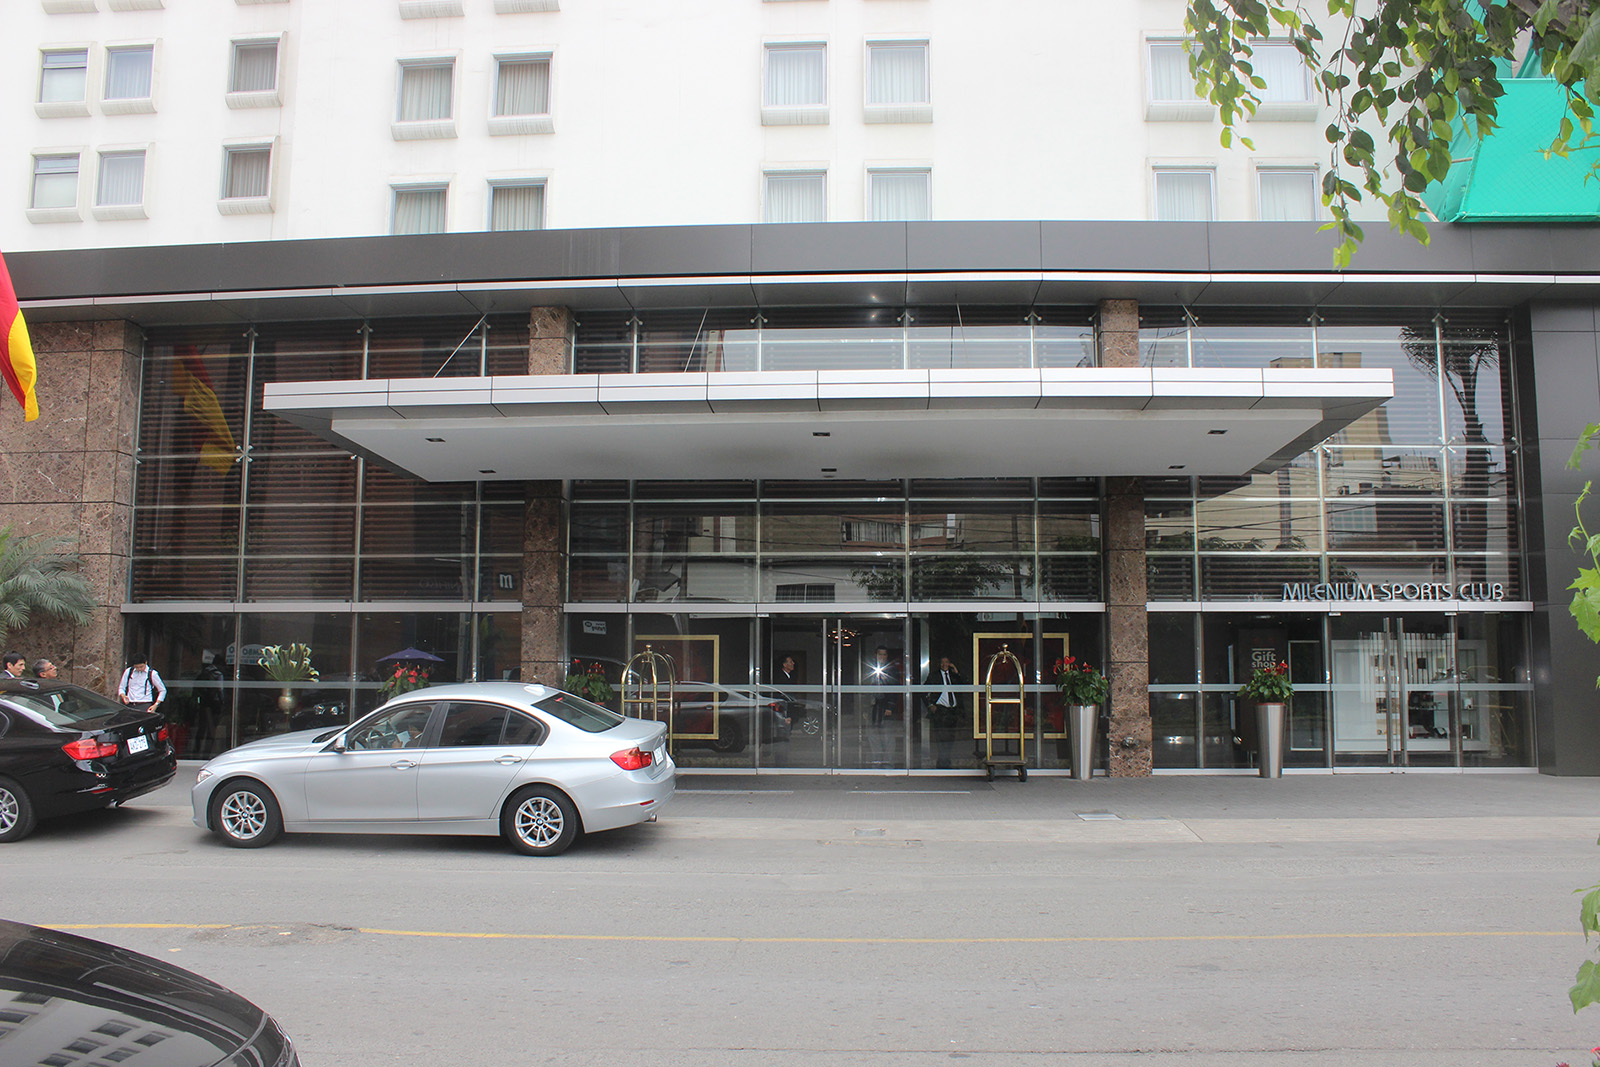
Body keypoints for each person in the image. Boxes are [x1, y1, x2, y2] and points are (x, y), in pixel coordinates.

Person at [922, 655, 966, 769]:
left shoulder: (953, 676)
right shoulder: (934, 676)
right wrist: (930, 705)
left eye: (946, 662)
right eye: (942, 662)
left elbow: (964, 685)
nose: (944, 664)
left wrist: (956, 671)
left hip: (953, 710)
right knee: (941, 736)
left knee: (951, 736)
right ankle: (942, 762)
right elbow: (923, 691)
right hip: (940, 710)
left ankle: (946, 759)